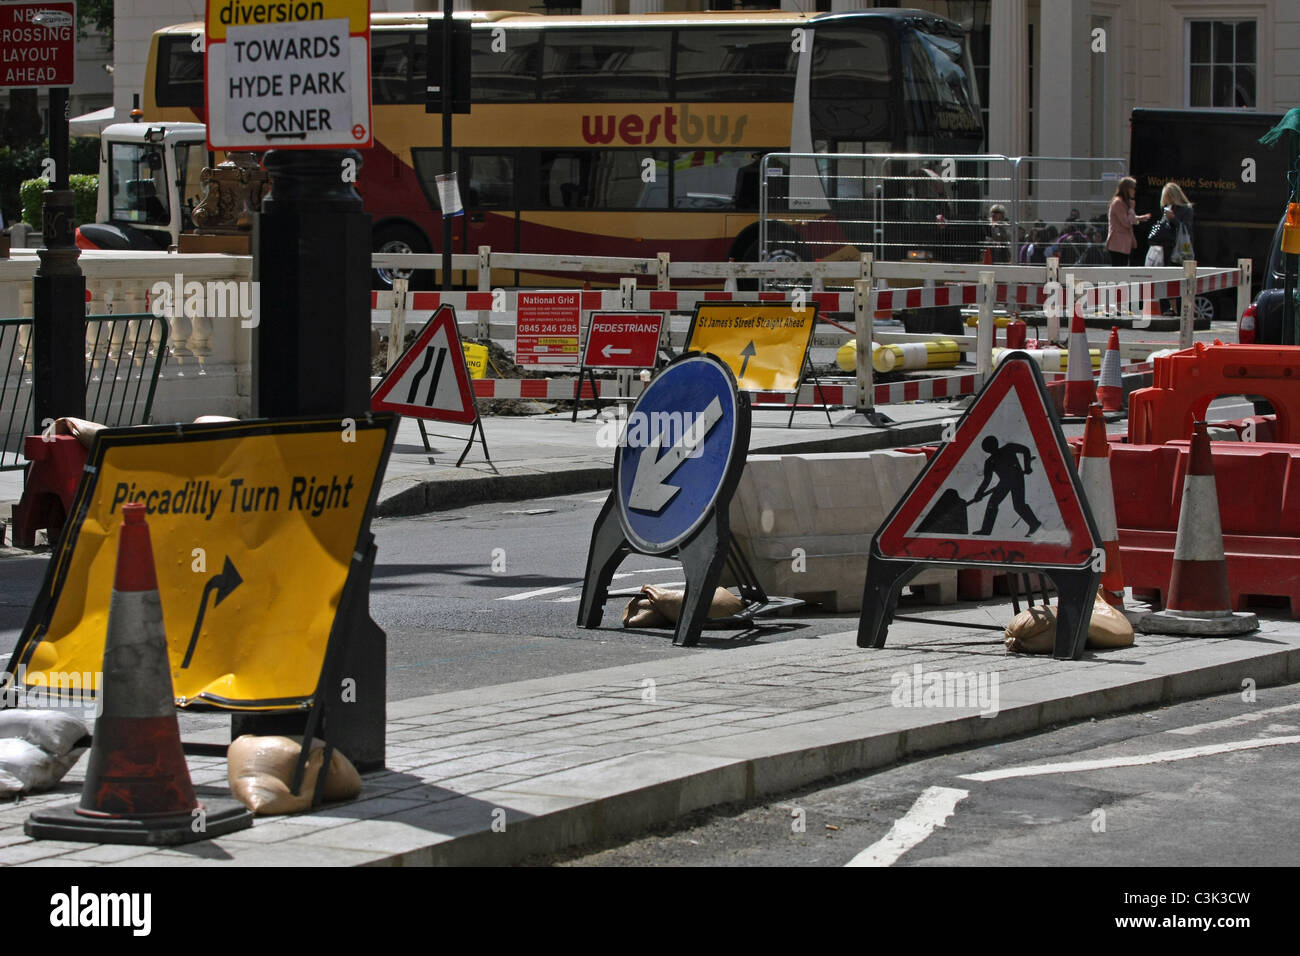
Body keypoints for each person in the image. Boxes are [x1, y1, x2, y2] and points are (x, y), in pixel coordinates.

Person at [971, 436, 1041, 536]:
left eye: (992, 446)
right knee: (992, 504)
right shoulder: (990, 462)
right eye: (989, 447)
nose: (992, 449)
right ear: (987, 450)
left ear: (996, 444)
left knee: (1018, 505)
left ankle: (1034, 523)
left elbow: (1026, 450)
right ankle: (986, 530)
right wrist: (979, 493)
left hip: (1017, 478)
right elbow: (987, 480)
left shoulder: (1009, 448)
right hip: (1004, 483)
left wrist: (1027, 466)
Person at [1148, 182, 1195, 312]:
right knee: (1170, 279)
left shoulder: (1186, 209)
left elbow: (1186, 229)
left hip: (1180, 249)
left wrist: (1173, 219)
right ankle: (1172, 307)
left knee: (1181, 280)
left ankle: (1187, 308)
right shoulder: (1168, 208)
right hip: (1167, 248)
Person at [1105, 176, 1150, 267]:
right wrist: (1132, 209)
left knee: (1124, 268)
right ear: (1126, 189)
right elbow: (1126, 222)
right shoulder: (1118, 203)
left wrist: (1140, 218)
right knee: (1118, 269)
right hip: (1117, 244)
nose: (1134, 191)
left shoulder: (1124, 203)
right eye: (1132, 188)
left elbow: (1129, 218)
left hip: (1124, 244)